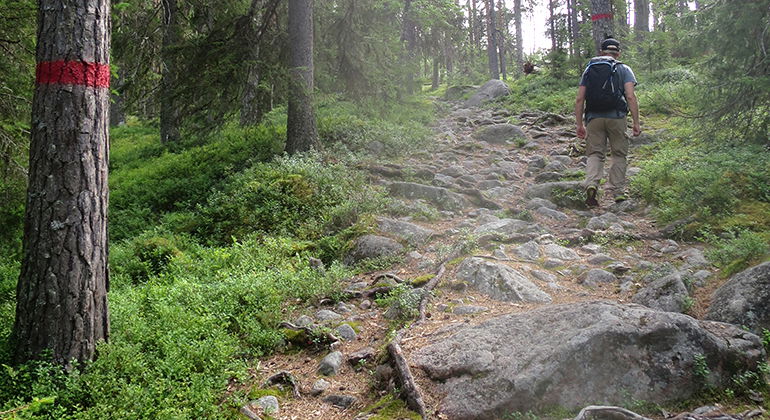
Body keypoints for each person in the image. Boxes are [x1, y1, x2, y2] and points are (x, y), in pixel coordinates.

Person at [575, 38, 641, 207]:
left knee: (595, 154)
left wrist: (579, 124)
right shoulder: (624, 69)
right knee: (619, 154)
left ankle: (592, 184)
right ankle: (617, 191)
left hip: (594, 118)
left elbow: (580, 98)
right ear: (618, 53)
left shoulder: (589, 70)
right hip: (617, 117)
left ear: (601, 52)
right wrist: (636, 122)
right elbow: (631, 96)